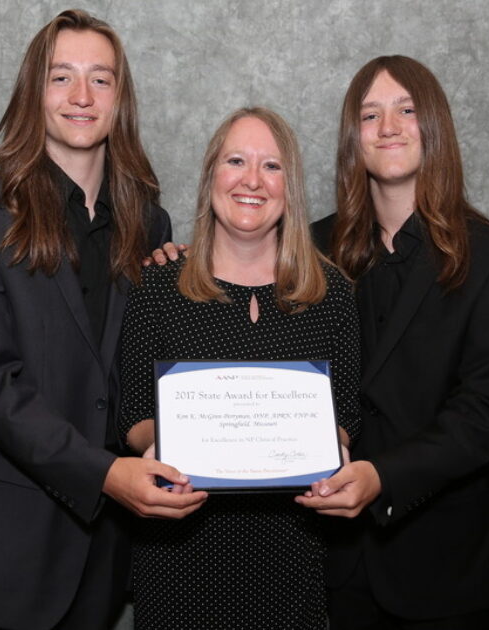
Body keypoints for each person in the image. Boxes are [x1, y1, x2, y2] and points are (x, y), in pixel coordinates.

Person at [0, 10, 206, 630]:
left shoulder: (149, 225)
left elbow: (136, 373)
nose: (82, 97)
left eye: (101, 80)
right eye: (62, 77)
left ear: (121, 98)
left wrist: (186, 300)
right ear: (35, 91)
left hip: (105, 552)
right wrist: (107, 474)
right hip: (0, 551)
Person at [297, 56, 489, 629]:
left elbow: (486, 414)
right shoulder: (312, 246)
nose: (388, 127)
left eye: (406, 110)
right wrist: (176, 263)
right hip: (337, 562)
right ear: (353, 138)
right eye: (370, 113)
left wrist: (385, 476)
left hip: (445, 566)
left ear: (435, 127)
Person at [119, 106, 361, 629]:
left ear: (290, 186)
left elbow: (345, 414)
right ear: (211, 178)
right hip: (179, 554)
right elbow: (133, 414)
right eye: (236, 161)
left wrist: (332, 448)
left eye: (271, 167)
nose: (252, 180)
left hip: (291, 557)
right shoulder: (159, 286)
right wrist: (161, 447)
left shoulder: (332, 293)